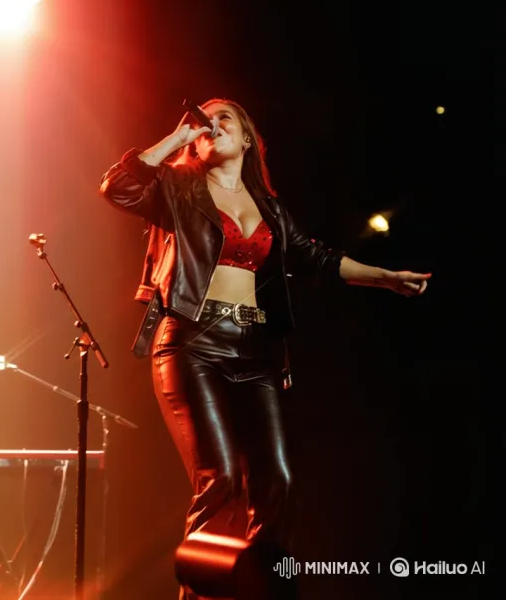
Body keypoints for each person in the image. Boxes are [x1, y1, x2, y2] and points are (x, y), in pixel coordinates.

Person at [100, 98, 430, 599]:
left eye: (223, 118)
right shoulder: (179, 187)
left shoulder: (269, 207)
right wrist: (177, 139)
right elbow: (118, 187)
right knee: (222, 479)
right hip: (193, 342)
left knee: (277, 483)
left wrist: (385, 278)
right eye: (204, 121)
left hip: (257, 351)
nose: (212, 125)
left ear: (248, 138)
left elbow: (316, 258)